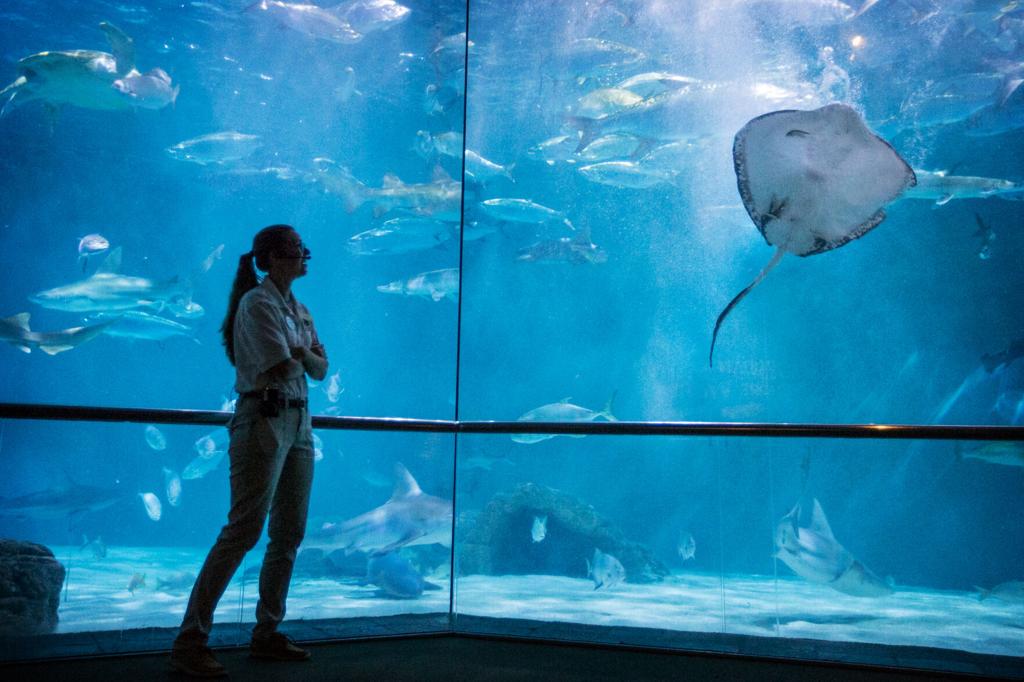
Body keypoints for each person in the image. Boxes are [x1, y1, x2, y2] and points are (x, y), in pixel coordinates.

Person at [170, 224, 328, 678]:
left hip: (300, 422)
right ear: (274, 258)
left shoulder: (299, 308)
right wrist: (302, 353)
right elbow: (282, 366)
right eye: (298, 250)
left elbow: (319, 368)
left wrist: (302, 353)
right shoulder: (256, 303)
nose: (305, 257)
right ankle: (190, 639)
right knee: (243, 530)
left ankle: (267, 632)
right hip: (263, 418)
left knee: (290, 532)